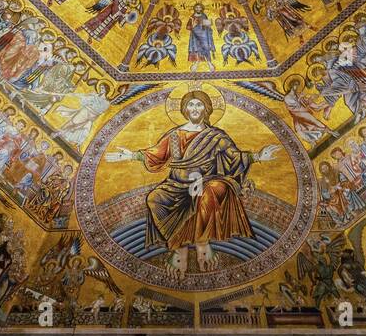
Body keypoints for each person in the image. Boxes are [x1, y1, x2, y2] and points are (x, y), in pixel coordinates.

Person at [106, 90, 279, 250]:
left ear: (206, 109)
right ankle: (177, 239)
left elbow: (234, 157)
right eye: (191, 105)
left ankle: (203, 242)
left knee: (213, 190)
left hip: (206, 180)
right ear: (185, 110)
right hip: (176, 185)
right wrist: (131, 156)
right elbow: (157, 154)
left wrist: (257, 157)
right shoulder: (175, 135)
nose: (194, 109)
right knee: (154, 198)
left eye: (199, 105)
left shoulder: (216, 136)